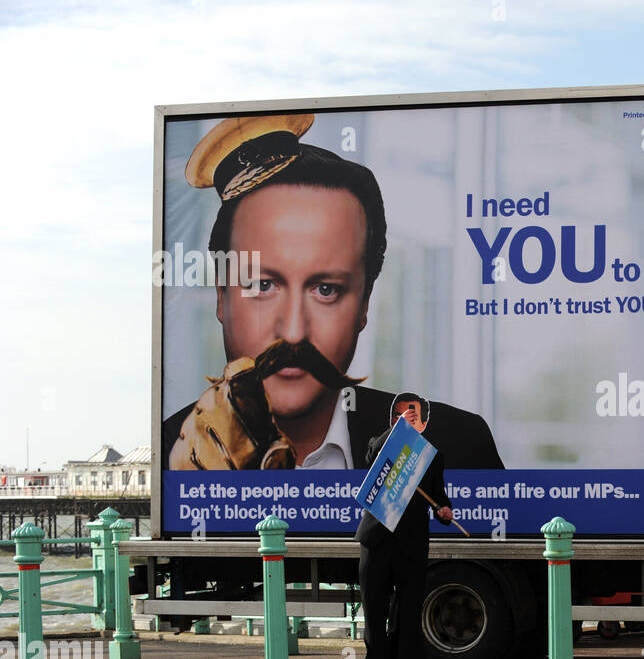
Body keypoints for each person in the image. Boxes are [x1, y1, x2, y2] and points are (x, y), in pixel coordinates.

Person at [162, 113, 503, 472]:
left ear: (365, 303)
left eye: (326, 290)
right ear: (222, 296)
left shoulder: (453, 448)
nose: (294, 331)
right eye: (263, 285)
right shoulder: (171, 458)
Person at [351, 393, 455, 659]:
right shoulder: (382, 444)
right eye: (399, 417)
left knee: (409, 609)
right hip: (377, 538)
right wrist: (397, 432)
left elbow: (439, 496)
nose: (406, 420)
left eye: (412, 417)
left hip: (411, 541)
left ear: (424, 423)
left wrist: (444, 510)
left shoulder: (431, 456)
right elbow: (371, 457)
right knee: (373, 607)